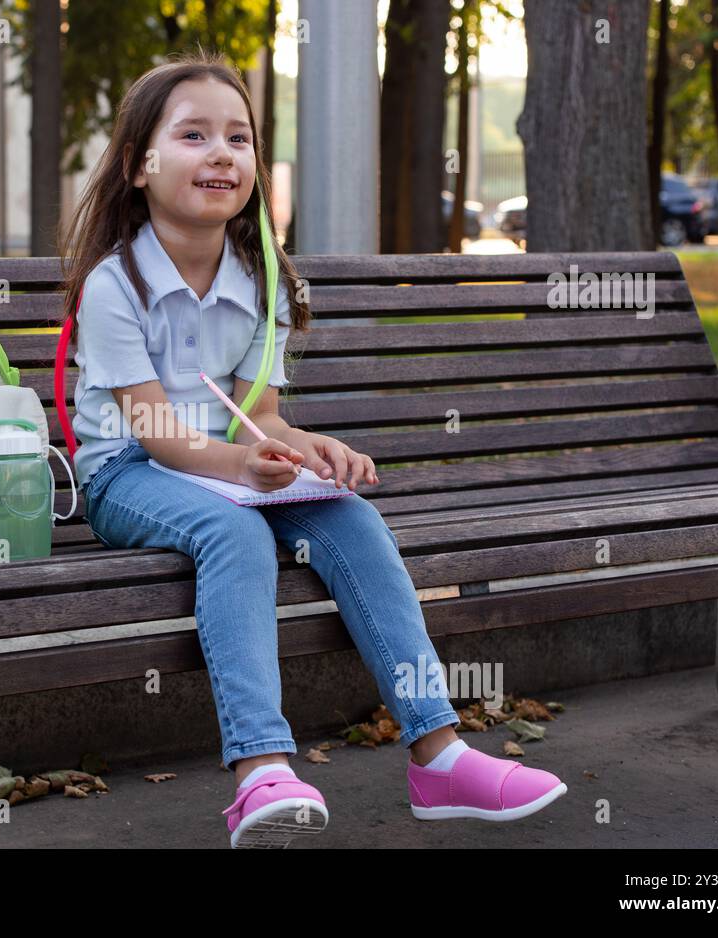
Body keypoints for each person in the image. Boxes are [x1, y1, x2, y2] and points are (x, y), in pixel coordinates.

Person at [55, 48, 566, 849]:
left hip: (229, 470)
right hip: (129, 474)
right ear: (137, 165)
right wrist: (244, 466)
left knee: (351, 516)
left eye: (240, 138)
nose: (222, 153)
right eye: (193, 135)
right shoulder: (117, 286)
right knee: (235, 532)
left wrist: (308, 451)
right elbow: (152, 429)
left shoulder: (262, 282)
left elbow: (259, 414)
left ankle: (439, 750)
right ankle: (260, 767)